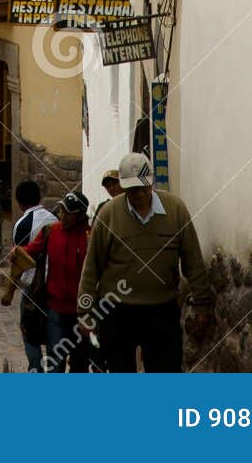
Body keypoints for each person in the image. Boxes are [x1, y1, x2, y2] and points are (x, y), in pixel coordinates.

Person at [78, 151, 214, 374]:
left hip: (161, 310)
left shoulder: (175, 210)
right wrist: (85, 311)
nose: (138, 194)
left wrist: (202, 304)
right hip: (117, 311)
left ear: (151, 183)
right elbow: (92, 267)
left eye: (143, 187)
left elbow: (193, 261)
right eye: (131, 189)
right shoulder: (109, 215)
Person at [24, 191, 92, 373]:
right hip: (56, 309)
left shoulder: (90, 236)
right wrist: (16, 253)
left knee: (80, 363)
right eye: (62, 210)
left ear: (80, 215)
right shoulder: (51, 231)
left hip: (82, 312)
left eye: (68, 212)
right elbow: (30, 251)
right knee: (55, 360)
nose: (63, 215)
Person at [2, 180, 59, 372]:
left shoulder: (22, 224)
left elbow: (19, 260)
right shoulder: (55, 219)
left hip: (31, 287)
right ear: (40, 197)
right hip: (53, 286)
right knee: (52, 332)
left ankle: (35, 368)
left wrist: (9, 291)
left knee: (29, 331)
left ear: (19, 202)